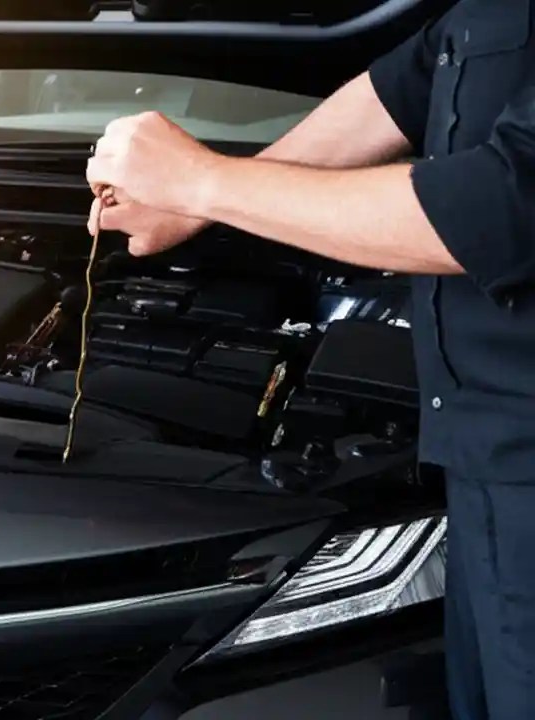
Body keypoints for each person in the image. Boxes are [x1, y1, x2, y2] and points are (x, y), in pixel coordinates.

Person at [84, 2, 535, 718]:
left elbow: (506, 206)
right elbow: (402, 86)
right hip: (479, 461)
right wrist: (197, 206)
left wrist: (203, 180)